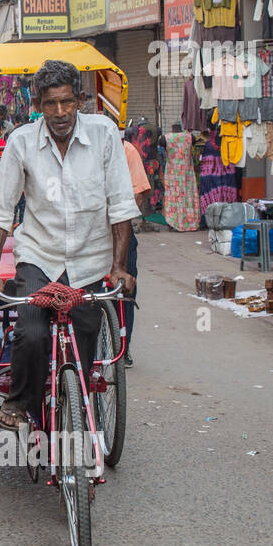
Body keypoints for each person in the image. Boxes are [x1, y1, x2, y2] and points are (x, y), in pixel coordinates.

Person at [0, 60, 139, 431]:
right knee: (31, 332)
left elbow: (121, 204)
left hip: (90, 259)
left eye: (67, 102)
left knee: (84, 338)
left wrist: (119, 266)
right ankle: (19, 404)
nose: (60, 112)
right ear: (38, 104)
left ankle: (74, 409)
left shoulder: (104, 135)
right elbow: (1, 211)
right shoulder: (21, 141)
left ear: (80, 100)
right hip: (40, 256)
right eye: (50, 104)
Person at [120, 125, 152, 368]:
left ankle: (124, 347)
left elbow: (140, 191)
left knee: (126, 291)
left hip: (120, 232)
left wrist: (126, 222)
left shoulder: (126, 150)